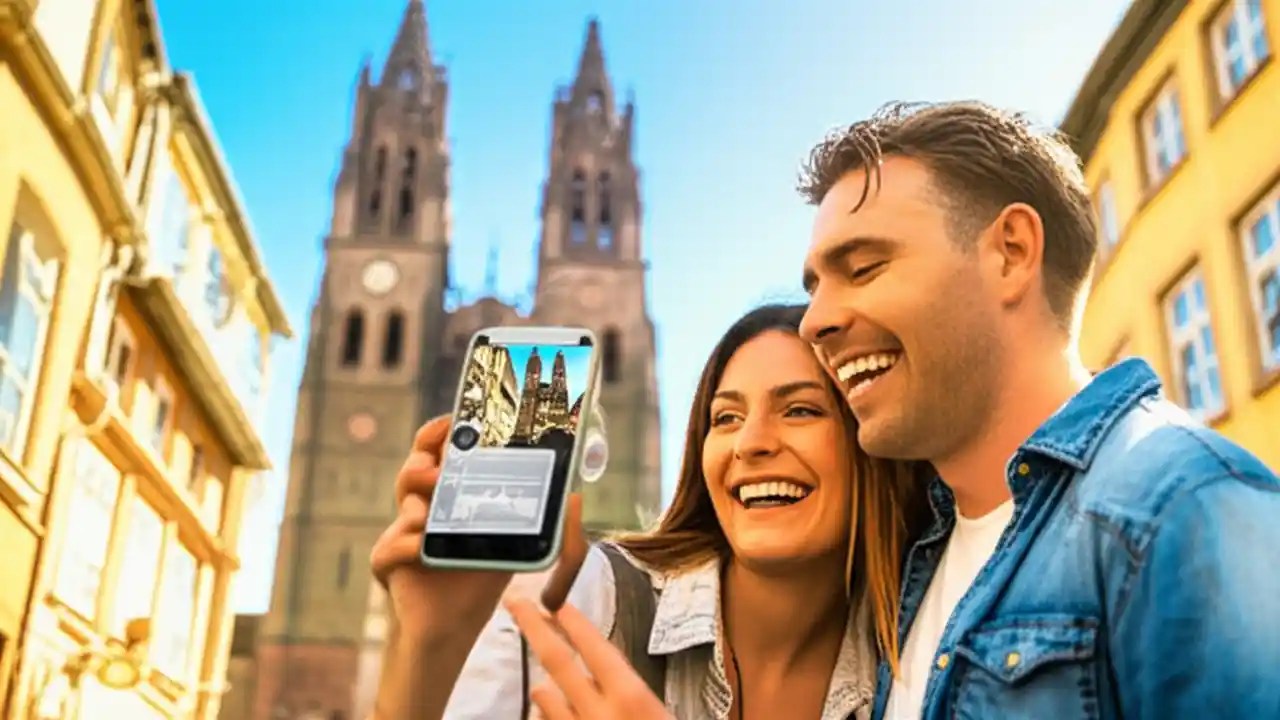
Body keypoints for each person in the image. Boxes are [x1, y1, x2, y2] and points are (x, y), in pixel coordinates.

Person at [791, 101, 1280, 719]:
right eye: (814, 287)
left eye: (863, 268)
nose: (815, 322)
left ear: (1011, 252)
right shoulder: (915, 561)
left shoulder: (1182, 504)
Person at [368, 304, 930, 720]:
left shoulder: (932, 654)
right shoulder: (585, 601)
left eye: (802, 410)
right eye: (725, 418)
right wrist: (426, 646)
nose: (750, 443)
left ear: (873, 445)